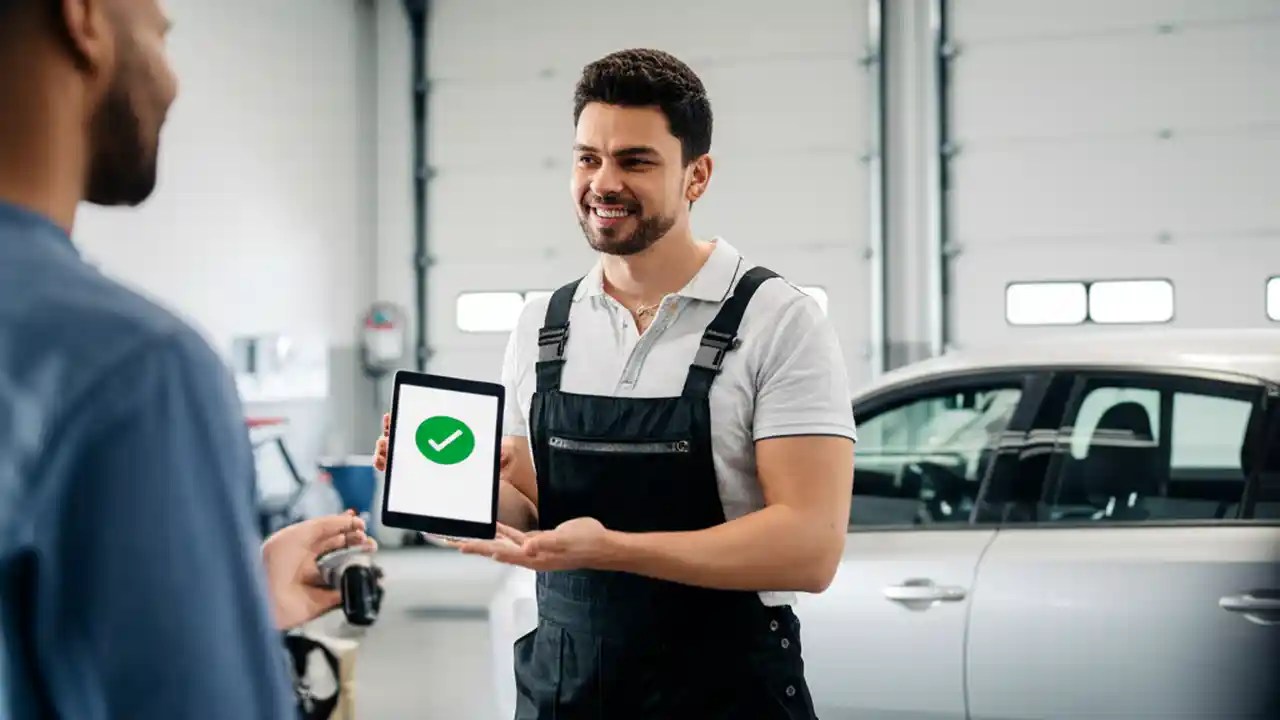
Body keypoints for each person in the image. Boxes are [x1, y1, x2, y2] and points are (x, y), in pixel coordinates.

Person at [375, 48, 856, 718]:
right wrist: (449, 484)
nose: (603, 182)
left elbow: (808, 548)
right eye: (587, 157)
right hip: (568, 684)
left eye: (635, 161)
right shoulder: (543, 325)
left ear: (698, 175)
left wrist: (616, 551)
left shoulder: (779, 321)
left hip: (724, 687)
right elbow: (528, 506)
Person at [0, 1, 374, 717]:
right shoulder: (133, 370)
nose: (171, 83)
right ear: (82, 19)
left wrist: (226, 605)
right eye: (161, 34)